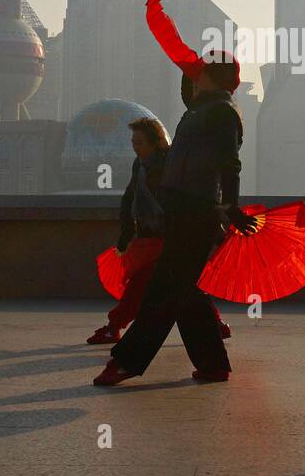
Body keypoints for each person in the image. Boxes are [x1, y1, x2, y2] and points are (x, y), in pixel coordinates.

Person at [94, 55, 256, 386]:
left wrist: (232, 205)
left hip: (198, 212)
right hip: (180, 210)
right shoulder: (199, 108)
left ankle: (126, 360)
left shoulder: (223, 112)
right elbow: (188, 89)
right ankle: (213, 365)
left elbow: (230, 164)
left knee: (163, 289)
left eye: (200, 72)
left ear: (212, 76)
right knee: (185, 291)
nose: (194, 78)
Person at [87, 116, 230, 345]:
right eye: (133, 142)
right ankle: (215, 325)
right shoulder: (140, 164)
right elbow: (130, 197)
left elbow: (193, 200)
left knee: (140, 286)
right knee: (183, 286)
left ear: (155, 143)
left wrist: (216, 230)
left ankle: (114, 327)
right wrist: (126, 232)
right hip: (148, 238)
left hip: (167, 239)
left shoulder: (169, 166)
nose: (135, 147)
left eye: (139, 143)